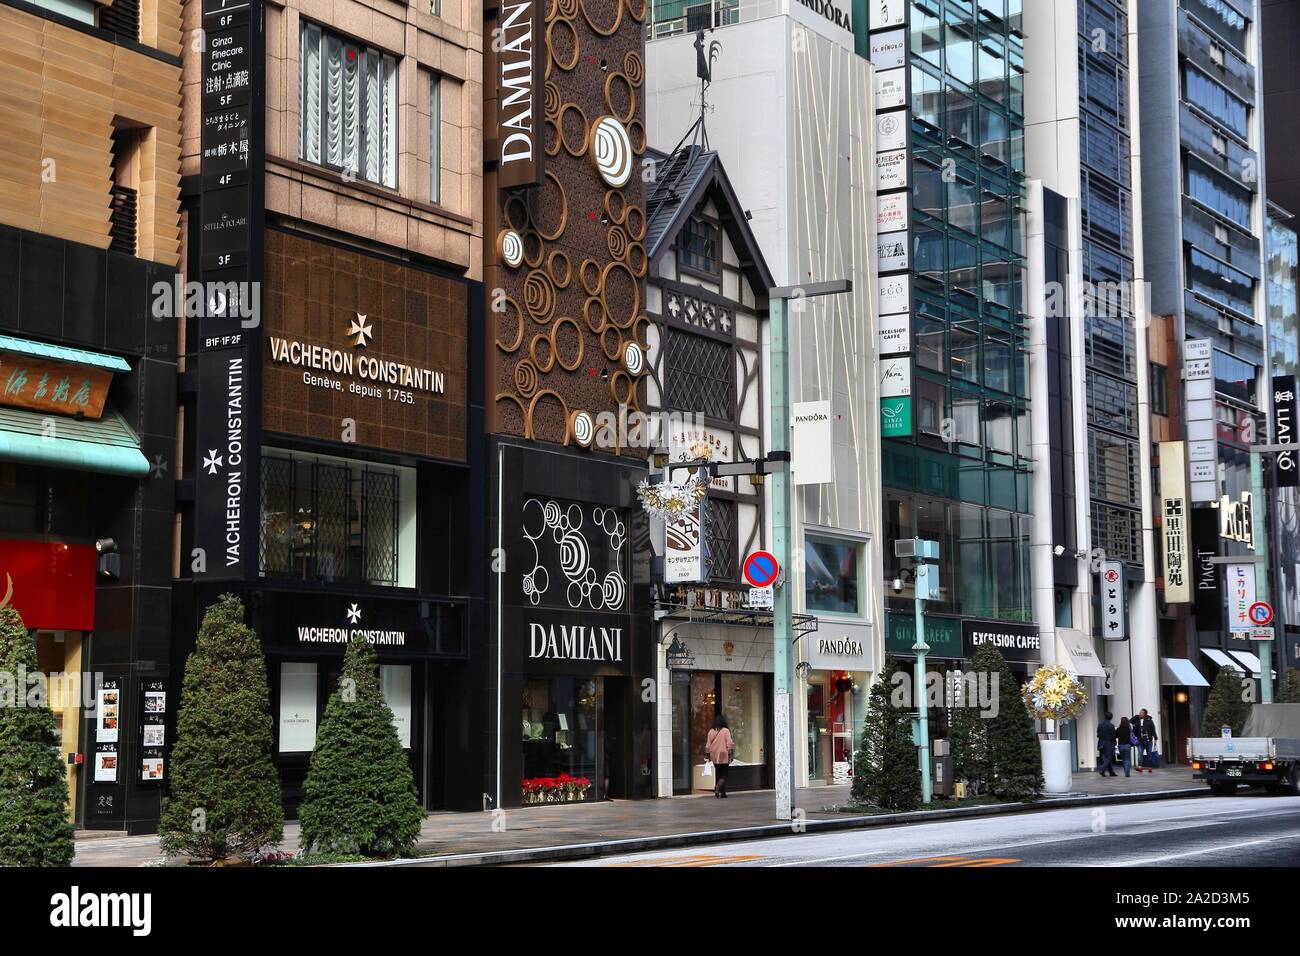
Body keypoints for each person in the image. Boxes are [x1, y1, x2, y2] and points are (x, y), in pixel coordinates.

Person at [705, 714, 735, 798]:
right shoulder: (726, 730)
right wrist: (730, 752)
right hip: (723, 754)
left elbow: (708, 745)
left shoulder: (710, 731)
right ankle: (718, 787)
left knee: (718, 773)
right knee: (724, 774)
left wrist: (707, 754)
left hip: (714, 755)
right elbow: (729, 743)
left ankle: (722, 793)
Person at [1096, 711, 1118, 777]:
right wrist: (1115, 742)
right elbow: (1113, 736)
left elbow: (1098, 734)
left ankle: (1111, 772)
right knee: (1109, 757)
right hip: (1109, 743)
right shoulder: (1111, 726)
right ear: (1111, 718)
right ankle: (1101, 768)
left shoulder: (1100, 724)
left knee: (1104, 758)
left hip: (1101, 742)